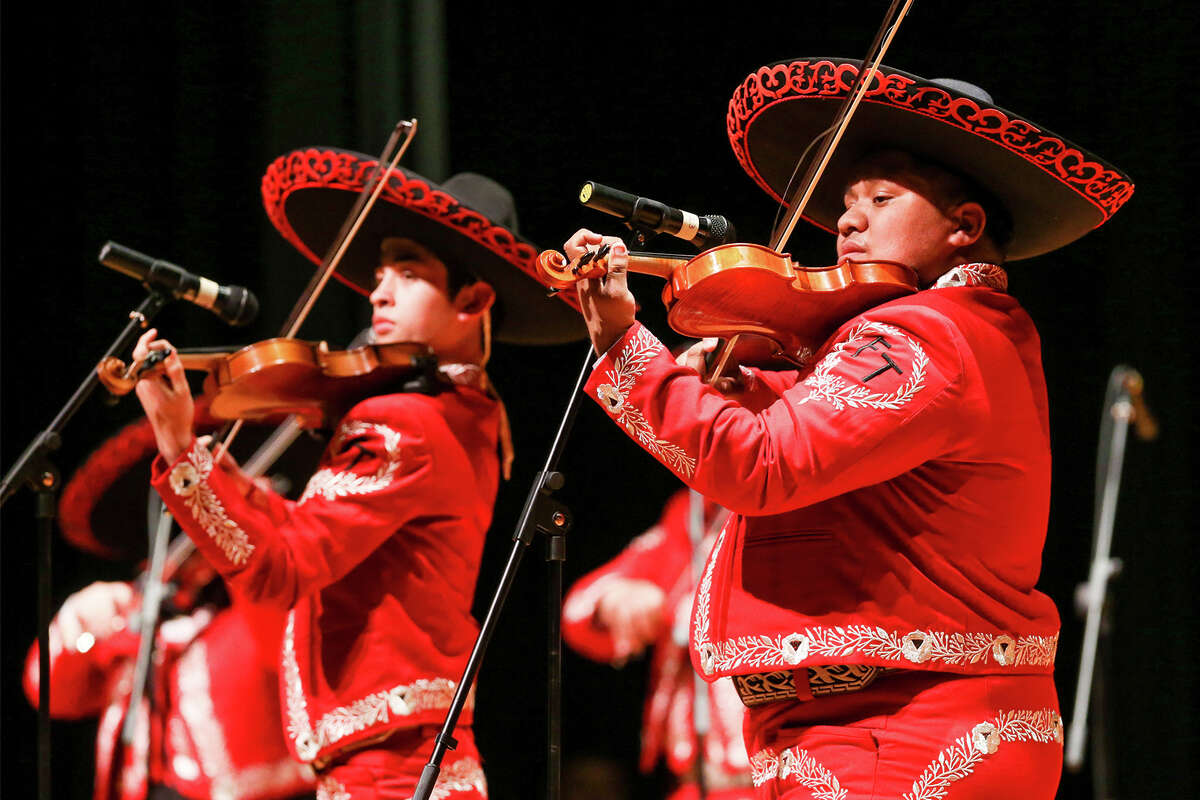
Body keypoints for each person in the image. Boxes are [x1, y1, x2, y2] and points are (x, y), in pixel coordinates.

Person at [564, 57, 1133, 799]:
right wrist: (754, 389)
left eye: (881, 197)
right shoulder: (960, 333)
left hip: (901, 734)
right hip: (870, 731)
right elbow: (834, 442)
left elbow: (763, 466)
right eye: (844, 202)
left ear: (965, 226)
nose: (847, 221)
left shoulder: (923, 334)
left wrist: (622, 344)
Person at [133, 151, 584, 799]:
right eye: (378, 273)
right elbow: (305, 535)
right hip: (408, 762)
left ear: (475, 297)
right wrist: (224, 470)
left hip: (392, 773)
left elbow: (281, 567)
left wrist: (182, 448)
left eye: (407, 271)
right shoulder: (472, 415)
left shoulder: (403, 422)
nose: (378, 291)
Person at [24, 414, 318, 800]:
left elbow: (285, 657)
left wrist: (243, 531)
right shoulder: (140, 613)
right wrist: (89, 620)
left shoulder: (260, 600)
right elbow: (47, 690)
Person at [562, 488, 753, 800]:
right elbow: (578, 609)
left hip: (792, 774)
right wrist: (620, 598)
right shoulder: (694, 512)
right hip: (697, 783)